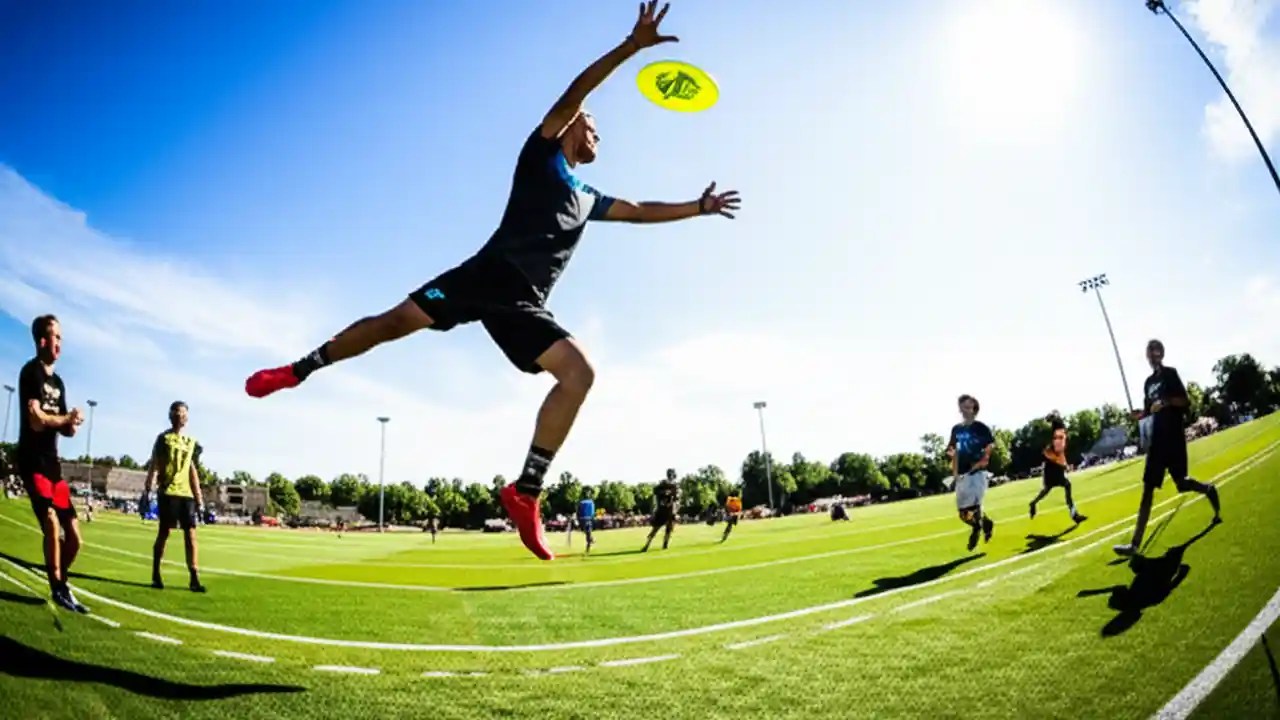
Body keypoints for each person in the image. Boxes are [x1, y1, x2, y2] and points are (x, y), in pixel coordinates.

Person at [241, 1, 740, 563]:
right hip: (486, 274)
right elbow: (577, 93)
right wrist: (631, 47)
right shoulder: (544, 153)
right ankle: (300, 369)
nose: (600, 133)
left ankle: (525, 492)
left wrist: (697, 207)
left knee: (578, 375)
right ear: (572, 126)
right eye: (594, 125)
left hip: (522, 302)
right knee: (393, 322)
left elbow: (641, 209)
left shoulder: (587, 197)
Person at [1114, 340, 1221, 557]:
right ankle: (1135, 544)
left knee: (1182, 483)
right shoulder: (1148, 383)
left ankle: (1208, 489)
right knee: (1148, 488)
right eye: (1148, 354)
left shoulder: (1171, 375)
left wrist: (1165, 402)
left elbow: (1184, 401)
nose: (1151, 357)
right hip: (1157, 441)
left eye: (1155, 353)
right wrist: (1140, 415)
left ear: (1161, 354)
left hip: (1174, 438)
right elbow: (1148, 410)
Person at [16, 314, 89, 613]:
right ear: (39, 340)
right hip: (32, 461)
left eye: (59, 337)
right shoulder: (30, 373)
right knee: (50, 522)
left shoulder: (59, 382)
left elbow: (63, 428)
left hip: (54, 464)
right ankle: (58, 588)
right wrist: (62, 420)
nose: (56, 342)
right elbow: (36, 421)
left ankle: (59, 581)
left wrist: (73, 422)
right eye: (51, 336)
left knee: (74, 537)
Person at [143, 401, 207, 592]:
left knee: (191, 535)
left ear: (187, 417)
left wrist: (199, 498)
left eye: (183, 413)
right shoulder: (163, 438)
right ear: (171, 416)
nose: (180, 416)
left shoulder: (190, 442)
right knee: (164, 532)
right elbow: (155, 463)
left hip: (186, 494)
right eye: (176, 413)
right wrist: (148, 488)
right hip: (168, 491)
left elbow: (191, 469)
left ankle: (194, 577)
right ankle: (156, 573)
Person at [947, 394, 996, 552]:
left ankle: (977, 529)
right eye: (964, 407)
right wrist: (954, 473)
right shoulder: (956, 429)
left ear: (975, 409)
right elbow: (953, 451)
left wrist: (984, 460)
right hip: (962, 474)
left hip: (978, 472)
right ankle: (984, 523)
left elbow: (989, 447)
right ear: (960, 408)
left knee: (974, 507)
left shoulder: (981, 428)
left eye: (970, 407)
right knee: (963, 514)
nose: (967, 410)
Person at [1030, 415, 1086, 524]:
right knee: (1063, 486)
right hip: (1052, 468)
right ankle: (1074, 515)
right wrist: (1062, 463)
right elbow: (1049, 453)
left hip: (1053, 468)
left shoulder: (1057, 437)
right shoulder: (1057, 438)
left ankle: (1033, 503)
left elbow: (1059, 453)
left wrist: (1064, 464)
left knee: (1049, 489)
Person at [643, 469, 680, 552]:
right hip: (663, 510)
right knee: (656, 529)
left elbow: (676, 498)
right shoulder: (664, 484)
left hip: (669, 510)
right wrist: (664, 493)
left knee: (668, 530)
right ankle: (648, 545)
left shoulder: (674, 485)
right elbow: (656, 492)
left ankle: (664, 544)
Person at [576, 489, 597, 553]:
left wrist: (578, 519)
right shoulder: (591, 502)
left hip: (583, 519)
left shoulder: (581, 502)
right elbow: (593, 512)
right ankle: (591, 540)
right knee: (588, 533)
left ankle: (589, 546)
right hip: (589, 519)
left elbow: (578, 512)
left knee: (587, 533)